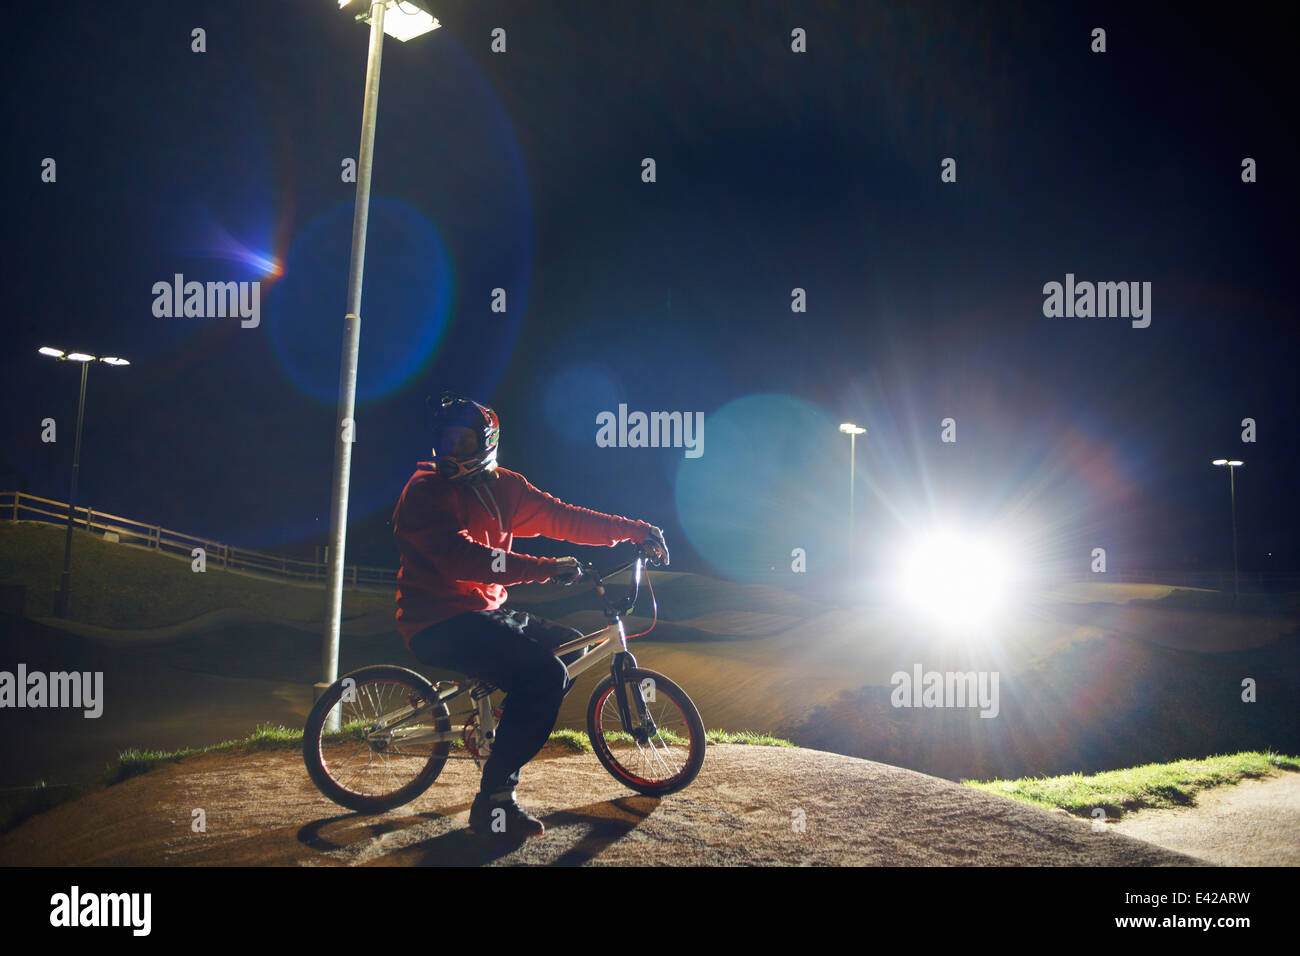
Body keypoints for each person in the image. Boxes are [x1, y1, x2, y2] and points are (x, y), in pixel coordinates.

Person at [392, 394, 667, 840]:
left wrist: (634, 530)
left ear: (487, 442)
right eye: (446, 441)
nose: (453, 452)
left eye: (464, 442)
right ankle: (494, 802)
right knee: (543, 676)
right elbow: (465, 560)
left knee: (574, 647)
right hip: (437, 622)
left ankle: (503, 721)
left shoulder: (506, 487)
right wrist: (543, 569)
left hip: (486, 612)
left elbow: (566, 518)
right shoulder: (424, 492)